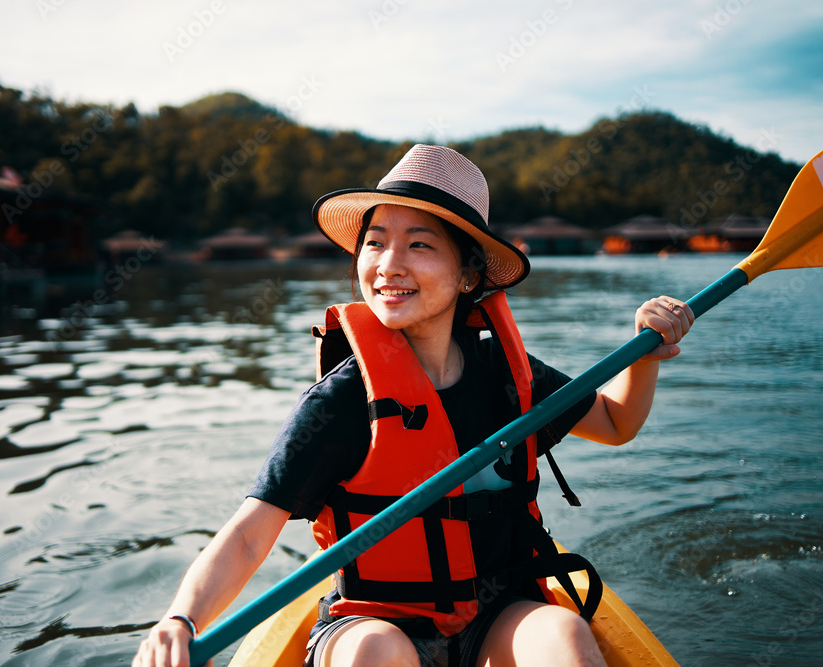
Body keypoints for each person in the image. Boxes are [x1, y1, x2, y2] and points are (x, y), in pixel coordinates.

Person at [132, 145, 693, 667]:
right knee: (377, 651)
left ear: (469, 273)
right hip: (370, 619)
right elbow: (252, 532)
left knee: (565, 636)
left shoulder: (507, 376)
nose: (388, 265)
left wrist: (645, 354)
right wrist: (181, 617)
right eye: (375, 242)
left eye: (419, 244)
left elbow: (616, 423)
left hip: (495, 611)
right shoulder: (343, 401)